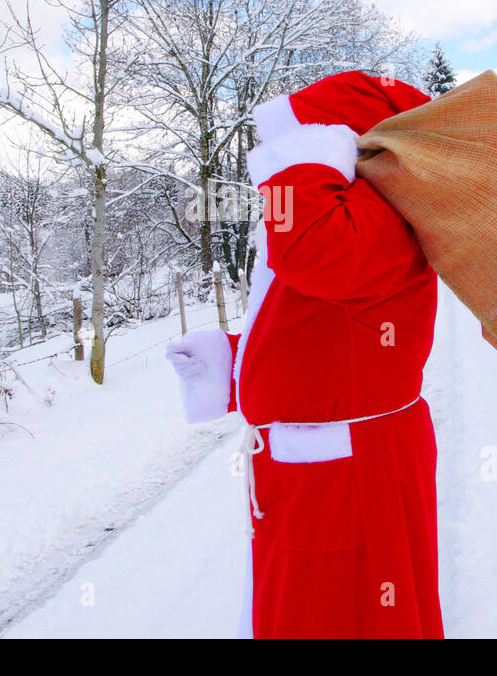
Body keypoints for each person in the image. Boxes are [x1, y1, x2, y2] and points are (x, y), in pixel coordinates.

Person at [166, 70, 443, 638]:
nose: (272, 157)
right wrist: (235, 361)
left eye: (294, 138)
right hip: (329, 469)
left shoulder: (378, 213)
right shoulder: (363, 211)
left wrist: (305, 153)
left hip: (348, 476)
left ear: (341, 141)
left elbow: (313, 253)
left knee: (337, 614)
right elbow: (321, 330)